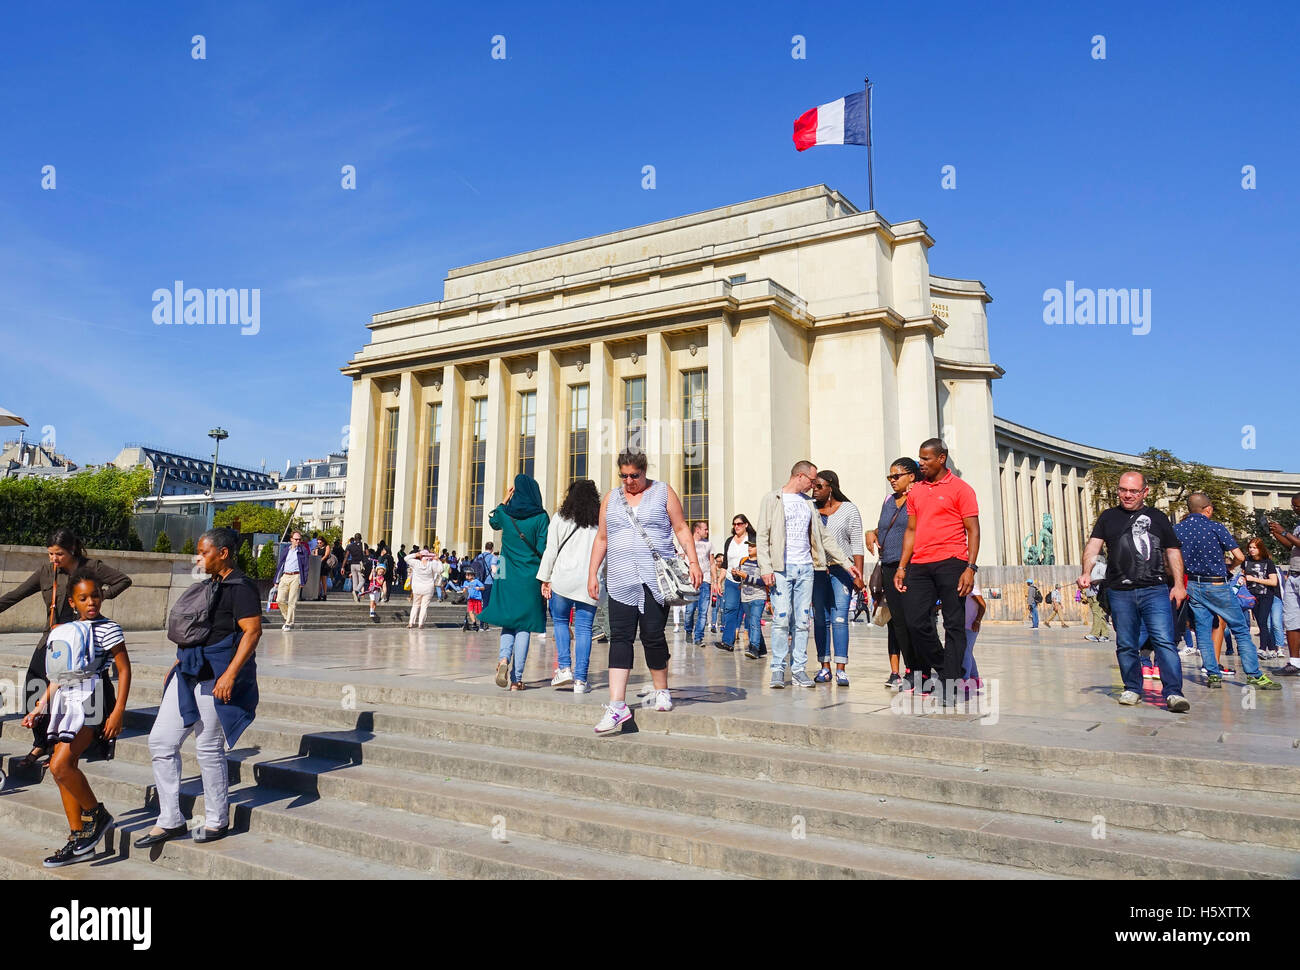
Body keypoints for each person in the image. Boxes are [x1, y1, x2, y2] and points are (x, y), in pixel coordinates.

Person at [138, 527, 261, 847]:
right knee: (161, 741)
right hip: (188, 674)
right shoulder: (209, 585)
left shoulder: (241, 587)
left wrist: (230, 675)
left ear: (223, 553)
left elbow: (252, 632)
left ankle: (218, 819)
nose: (199, 557)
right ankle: (170, 818)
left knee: (207, 748)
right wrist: (181, 662)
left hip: (216, 678)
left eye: (204, 552)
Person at [22, 570, 131, 867]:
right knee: (60, 770)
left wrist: (118, 710)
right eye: (83, 598)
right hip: (64, 699)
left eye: (95, 595)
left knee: (60, 764)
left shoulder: (109, 629)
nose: (91, 602)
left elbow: (124, 670)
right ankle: (79, 838)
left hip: (93, 697)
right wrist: (39, 706)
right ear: (72, 602)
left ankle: (97, 816)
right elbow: (57, 676)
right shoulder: (66, 630)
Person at [0, 527, 132, 771]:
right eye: (51, 554)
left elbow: (124, 580)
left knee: (93, 687)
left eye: (58, 554)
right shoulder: (47, 572)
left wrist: (99, 595)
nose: (54, 559)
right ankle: (41, 742)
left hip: (87, 639)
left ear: (71, 550)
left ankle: (87, 737)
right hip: (55, 639)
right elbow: (16, 594)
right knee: (34, 684)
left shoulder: (92, 567)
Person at [587, 450, 701, 732]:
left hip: (654, 580)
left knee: (652, 635)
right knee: (620, 637)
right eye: (623, 476)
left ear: (644, 471)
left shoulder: (663, 492)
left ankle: (661, 690)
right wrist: (592, 573)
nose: (629, 481)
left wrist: (694, 560)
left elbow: (681, 528)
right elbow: (602, 538)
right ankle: (617, 706)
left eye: (634, 475)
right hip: (620, 579)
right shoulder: (611, 499)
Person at [1078, 471, 1191, 712]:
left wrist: (1180, 585)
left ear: (1144, 492)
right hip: (1120, 591)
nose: (1127, 495)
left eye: (1133, 491)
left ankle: (1173, 693)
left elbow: (1173, 551)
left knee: (1164, 641)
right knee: (1127, 643)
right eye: (1122, 490)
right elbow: (1093, 546)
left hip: (1155, 589)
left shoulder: (1157, 517)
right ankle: (1132, 688)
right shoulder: (1108, 517)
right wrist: (1086, 571)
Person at [756, 460, 859, 689]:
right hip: (781, 569)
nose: (814, 485)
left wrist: (845, 562)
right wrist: (766, 569)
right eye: (812, 480)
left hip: (806, 568)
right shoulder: (772, 499)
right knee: (781, 619)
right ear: (800, 476)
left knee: (802, 621)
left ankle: (799, 669)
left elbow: (824, 537)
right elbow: (762, 537)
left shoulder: (808, 504)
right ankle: (777, 670)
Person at [893, 439, 980, 705]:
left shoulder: (961, 489)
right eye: (920, 458)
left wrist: (970, 568)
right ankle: (946, 670)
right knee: (915, 622)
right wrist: (902, 566)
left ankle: (950, 687)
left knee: (953, 625)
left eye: (926, 459)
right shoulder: (916, 491)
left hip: (952, 562)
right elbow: (910, 531)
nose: (921, 463)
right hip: (919, 564)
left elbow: (973, 530)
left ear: (941, 458)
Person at [1173, 492, 1278, 690]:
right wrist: (1229, 567)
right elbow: (1238, 555)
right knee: (1240, 628)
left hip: (1193, 585)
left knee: (1203, 631)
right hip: (1217, 584)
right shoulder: (1215, 527)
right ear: (1208, 509)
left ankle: (1213, 674)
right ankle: (1253, 673)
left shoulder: (1178, 529)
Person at [483, 474, 549, 691]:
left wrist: (504, 499)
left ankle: (503, 659)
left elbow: (492, 520)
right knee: (524, 627)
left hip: (505, 575)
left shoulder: (505, 514)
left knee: (508, 623)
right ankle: (517, 679)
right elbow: (543, 549)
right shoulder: (541, 517)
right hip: (529, 576)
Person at [537, 479, 603, 693]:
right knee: (584, 629)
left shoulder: (560, 518)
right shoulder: (599, 520)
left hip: (562, 580)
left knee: (560, 622)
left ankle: (564, 668)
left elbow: (551, 550)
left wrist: (545, 577)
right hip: (588, 580)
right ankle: (581, 680)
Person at [810, 470, 865, 686]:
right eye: (813, 486)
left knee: (839, 618)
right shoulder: (812, 510)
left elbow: (857, 544)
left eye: (819, 486)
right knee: (820, 619)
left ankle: (841, 668)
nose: (815, 490)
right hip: (817, 571)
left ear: (831, 487)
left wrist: (858, 575)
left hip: (842, 571)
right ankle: (824, 667)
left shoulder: (849, 510)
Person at [867, 458, 917, 689]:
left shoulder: (918, 499)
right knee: (895, 621)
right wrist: (871, 532)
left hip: (911, 566)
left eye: (896, 476)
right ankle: (901, 672)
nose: (892, 481)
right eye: (890, 477)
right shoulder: (888, 501)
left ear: (911, 476)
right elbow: (885, 527)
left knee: (913, 620)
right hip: (888, 565)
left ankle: (916, 669)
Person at [1266, 495, 1300, 676]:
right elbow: (1292, 547)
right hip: (1294, 576)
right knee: (1292, 619)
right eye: (1293, 506)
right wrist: (1278, 534)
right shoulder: (1299, 526)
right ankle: (1294, 662)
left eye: (1297, 506)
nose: (1294, 509)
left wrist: (1285, 532)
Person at [716, 514, 756, 652]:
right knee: (730, 609)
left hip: (748, 581)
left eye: (739, 524)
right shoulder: (729, 541)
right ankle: (728, 642)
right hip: (731, 580)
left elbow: (757, 559)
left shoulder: (752, 539)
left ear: (746, 524)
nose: (736, 526)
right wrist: (719, 580)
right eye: (734, 524)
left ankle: (755, 644)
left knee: (750, 612)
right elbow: (725, 564)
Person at [1243, 537, 1280, 656]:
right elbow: (1243, 575)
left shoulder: (1268, 562)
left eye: (1255, 547)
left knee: (1263, 620)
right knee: (1260, 621)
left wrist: (1254, 579)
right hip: (1252, 596)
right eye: (1250, 547)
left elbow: (1273, 582)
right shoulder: (1246, 560)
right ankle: (1272, 647)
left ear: (1260, 549)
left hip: (1266, 595)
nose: (1252, 550)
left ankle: (1262, 648)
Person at [680, 521, 714, 647]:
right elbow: (680, 560)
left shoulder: (709, 544)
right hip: (690, 582)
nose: (707, 531)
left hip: (705, 581)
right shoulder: (686, 543)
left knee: (703, 611)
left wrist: (714, 580)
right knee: (689, 610)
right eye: (705, 529)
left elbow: (712, 563)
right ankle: (688, 631)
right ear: (697, 530)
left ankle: (699, 637)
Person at [734, 541, 768, 658]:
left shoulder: (763, 562)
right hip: (745, 597)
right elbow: (739, 579)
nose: (750, 548)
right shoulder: (743, 560)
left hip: (758, 596)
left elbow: (765, 581)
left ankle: (753, 648)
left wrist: (747, 577)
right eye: (749, 546)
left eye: (753, 546)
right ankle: (762, 649)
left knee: (754, 622)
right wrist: (736, 574)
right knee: (753, 622)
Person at [272, 530, 309, 631]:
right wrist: (276, 579)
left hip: (296, 576)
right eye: (296, 539)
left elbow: (306, 566)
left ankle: (288, 623)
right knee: (279, 600)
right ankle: (288, 617)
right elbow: (280, 564)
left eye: (299, 539)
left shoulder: (303, 550)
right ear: (291, 539)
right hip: (285, 575)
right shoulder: (286, 550)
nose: (298, 541)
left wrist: (303, 580)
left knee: (292, 601)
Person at [406, 547, 440, 628]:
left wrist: (415, 554)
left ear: (420, 556)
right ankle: (421, 623)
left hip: (417, 588)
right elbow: (440, 570)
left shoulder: (416, 563)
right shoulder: (431, 564)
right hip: (428, 588)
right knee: (424, 606)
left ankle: (411, 623)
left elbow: (406, 558)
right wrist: (437, 560)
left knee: (415, 605)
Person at [963, 577, 986, 691]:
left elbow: (983, 605)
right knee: (968, 652)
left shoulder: (972, 588)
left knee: (965, 651)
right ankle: (975, 679)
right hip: (963, 625)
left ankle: (965, 679)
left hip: (971, 625)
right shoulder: (961, 588)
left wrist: (977, 620)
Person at [344, 533, 367, 603]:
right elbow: (367, 554)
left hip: (352, 564)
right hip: (360, 564)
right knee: (362, 581)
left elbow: (346, 556)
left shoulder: (350, 546)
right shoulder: (363, 545)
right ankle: (356, 591)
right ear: (361, 538)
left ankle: (356, 598)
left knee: (355, 581)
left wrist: (342, 567)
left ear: (354, 538)